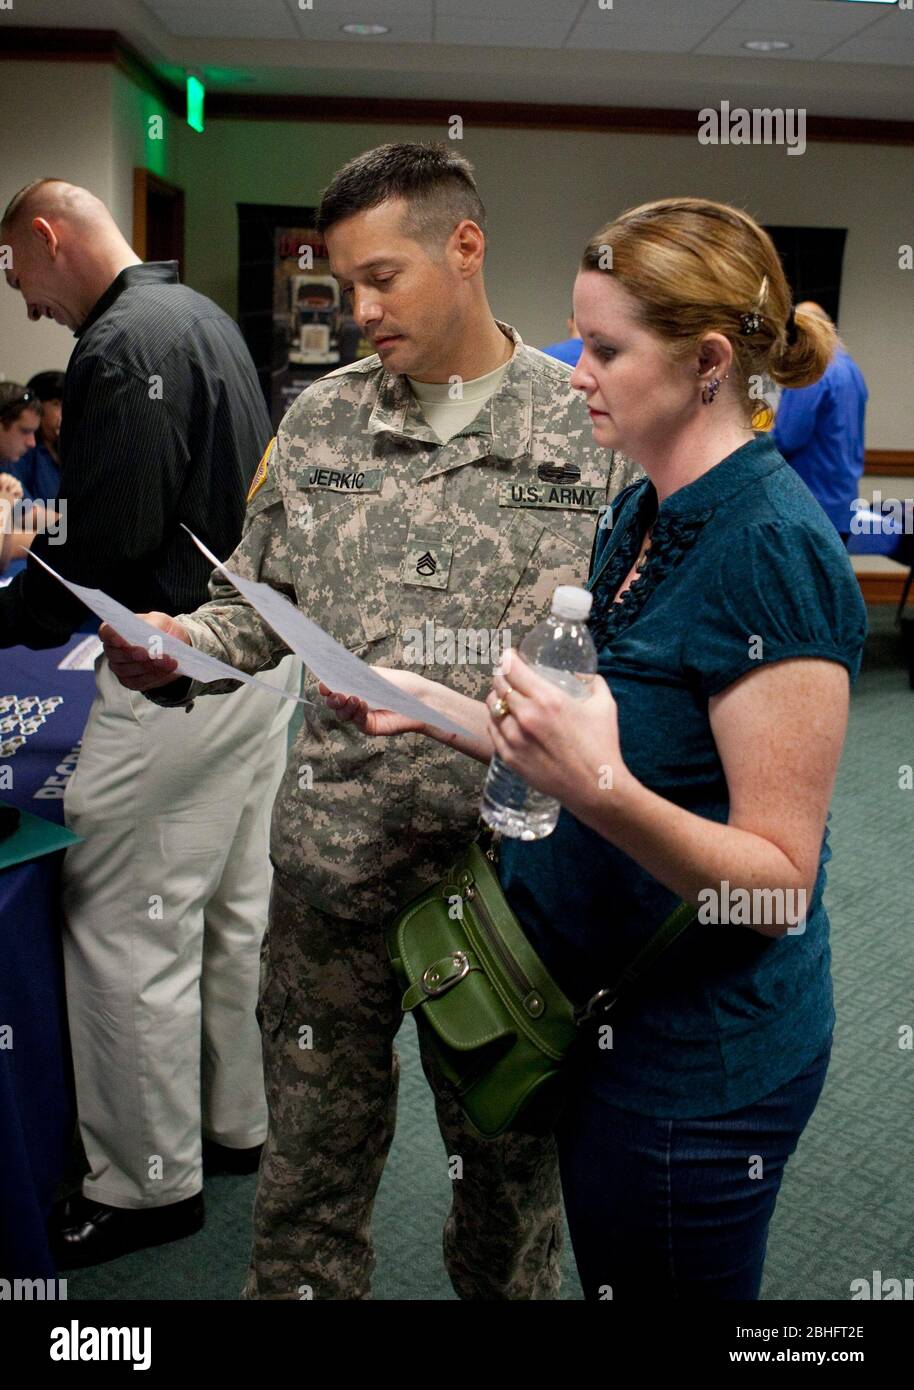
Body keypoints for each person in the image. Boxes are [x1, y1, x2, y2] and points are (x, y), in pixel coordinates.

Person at [99, 141, 640, 1300]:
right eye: (341, 283)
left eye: (382, 278)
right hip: (331, 880)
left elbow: (636, 666)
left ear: (466, 246)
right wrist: (172, 647)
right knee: (306, 1195)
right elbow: (250, 610)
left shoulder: (587, 431)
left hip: (504, 890)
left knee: (506, 1195)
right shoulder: (320, 426)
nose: (358, 311)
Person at [315, 197, 868, 1300]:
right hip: (602, 1017)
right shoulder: (645, 515)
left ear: (708, 363)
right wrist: (432, 703)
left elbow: (776, 884)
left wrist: (601, 789)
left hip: (699, 1064)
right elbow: (578, 745)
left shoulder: (771, 551)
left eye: (605, 349)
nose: (575, 374)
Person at [0, 179, 301, 1267]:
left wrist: (11, 589)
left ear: (45, 236)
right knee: (228, 915)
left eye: (15, 274)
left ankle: (143, 1186)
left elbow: (111, 545)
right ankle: (233, 1124)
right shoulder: (202, 316)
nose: (26, 303)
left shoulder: (119, 344)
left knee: (128, 933)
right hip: (249, 672)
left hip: (171, 675)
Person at [773, 301, 868, 543]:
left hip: (809, 505)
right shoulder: (851, 370)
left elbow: (787, 438)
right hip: (842, 505)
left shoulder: (812, 369)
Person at [0, 381, 43, 569]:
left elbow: (27, 513)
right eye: (25, 431)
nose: (32, 443)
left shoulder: (6, 465)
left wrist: (75, 526)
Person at [10, 368, 65, 503]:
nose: (65, 413)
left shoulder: (71, 452)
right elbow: (21, 510)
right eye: (57, 404)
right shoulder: (21, 452)